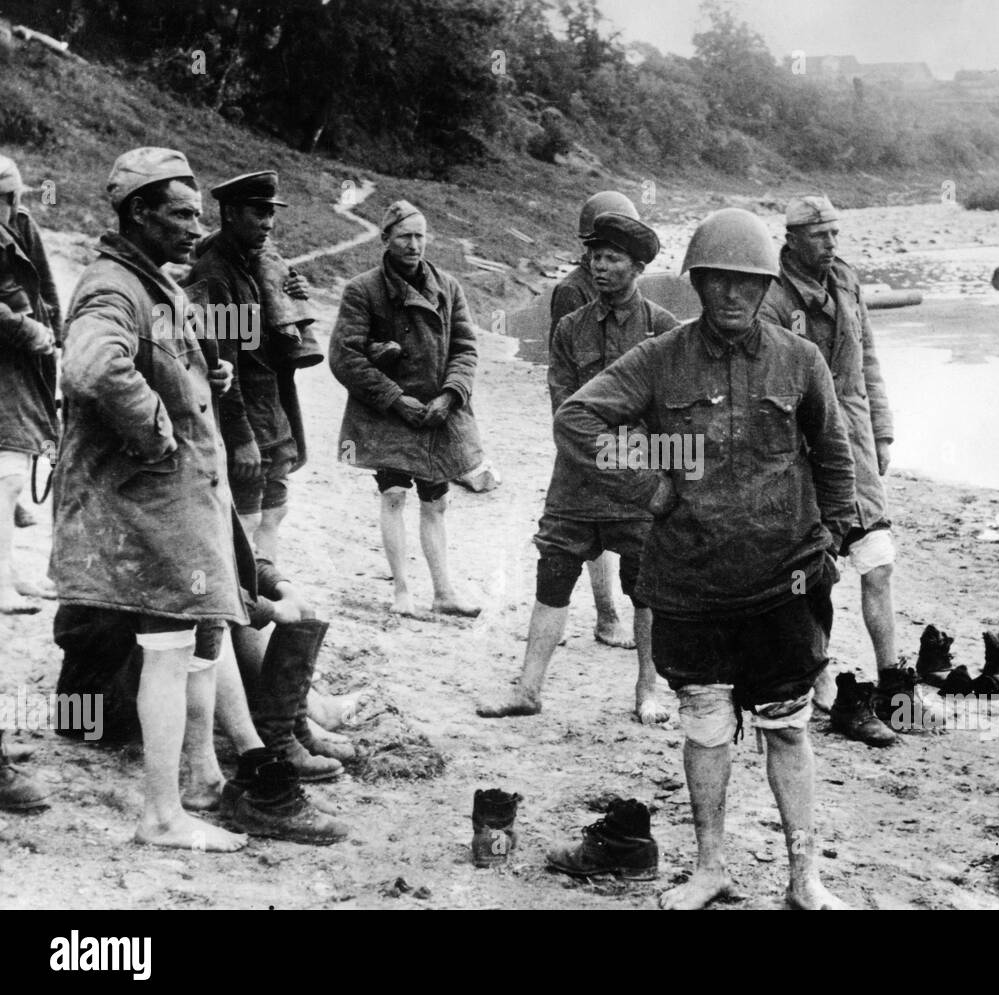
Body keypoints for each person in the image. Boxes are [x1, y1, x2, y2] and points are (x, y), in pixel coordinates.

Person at [554, 208, 856, 910]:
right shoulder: (662, 359)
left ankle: (804, 875)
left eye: (747, 284)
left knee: (788, 726)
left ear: (765, 285)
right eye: (717, 281)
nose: (732, 296)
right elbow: (578, 418)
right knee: (706, 728)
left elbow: (835, 455)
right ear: (698, 283)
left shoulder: (799, 359)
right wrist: (651, 481)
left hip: (782, 581)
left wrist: (834, 537)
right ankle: (710, 865)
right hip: (691, 585)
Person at [50, 147, 247, 852]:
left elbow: (145, 360)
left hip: (169, 501)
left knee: (191, 640)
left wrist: (203, 376)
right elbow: (92, 365)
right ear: (139, 212)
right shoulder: (114, 286)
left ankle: (198, 781)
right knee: (168, 648)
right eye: (182, 214)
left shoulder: (150, 283)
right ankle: (162, 815)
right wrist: (158, 432)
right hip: (146, 501)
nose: (198, 227)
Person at [477, 212, 677, 724]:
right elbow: (564, 413)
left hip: (637, 486)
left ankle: (646, 690)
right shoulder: (570, 328)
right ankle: (527, 689)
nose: (600, 266)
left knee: (645, 589)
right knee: (553, 575)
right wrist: (614, 448)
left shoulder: (662, 330)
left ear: (637, 266)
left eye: (612, 258)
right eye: (595, 257)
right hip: (576, 483)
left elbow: (670, 414)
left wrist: (649, 467)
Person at [54, 515, 350, 843]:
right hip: (84, 711)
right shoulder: (148, 497)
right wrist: (272, 610)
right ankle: (260, 752)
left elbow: (238, 552)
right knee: (209, 616)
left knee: (220, 611)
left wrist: (285, 589)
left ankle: (267, 744)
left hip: (115, 689)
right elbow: (195, 585)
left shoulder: (190, 486)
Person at [758, 195, 907, 746]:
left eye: (836, 234)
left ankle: (896, 687)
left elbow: (867, 357)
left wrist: (883, 430)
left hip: (857, 436)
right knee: (811, 569)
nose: (831, 244)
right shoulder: (771, 296)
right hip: (802, 446)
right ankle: (823, 681)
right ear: (792, 238)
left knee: (879, 559)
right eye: (820, 236)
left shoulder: (845, 279)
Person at [328, 200, 482, 618]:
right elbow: (345, 357)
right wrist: (395, 398)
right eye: (405, 237)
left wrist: (451, 395)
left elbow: (466, 349)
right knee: (394, 495)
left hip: (436, 414)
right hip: (388, 414)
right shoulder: (363, 290)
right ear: (386, 239)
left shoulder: (448, 287)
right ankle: (401, 592)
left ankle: (444, 591)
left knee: (436, 503)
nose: (414, 245)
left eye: (420, 236)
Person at [185, 170, 312, 563]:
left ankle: (264, 603)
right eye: (259, 213)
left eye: (271, 213)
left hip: (270, 418)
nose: (268, 223)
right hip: (246, 425)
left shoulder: (253, 266)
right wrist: (240, 437)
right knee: (244, 522)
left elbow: (260, 345)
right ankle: (245, 619)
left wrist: (289, 301)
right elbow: (223, 365)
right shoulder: (217, 275)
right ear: (230, 214)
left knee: (273, 513)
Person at [550, 190, 644, 650]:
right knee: (584, 530)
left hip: (630, 440)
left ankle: (617, 614)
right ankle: (606, 615)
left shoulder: (648, 314)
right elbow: (564, 369)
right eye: (598, 251)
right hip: (586, 430)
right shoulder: (570, 293)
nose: (602, 264)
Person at [0, 154, 59, 614]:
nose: (9, 207)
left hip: (24, 365)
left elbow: (45, 287)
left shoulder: (22, 222)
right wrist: (29, 331)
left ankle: (10, 573)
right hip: (11, 355)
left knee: (14, 471)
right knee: (7, 476)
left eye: (11, 197)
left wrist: (58, 331)